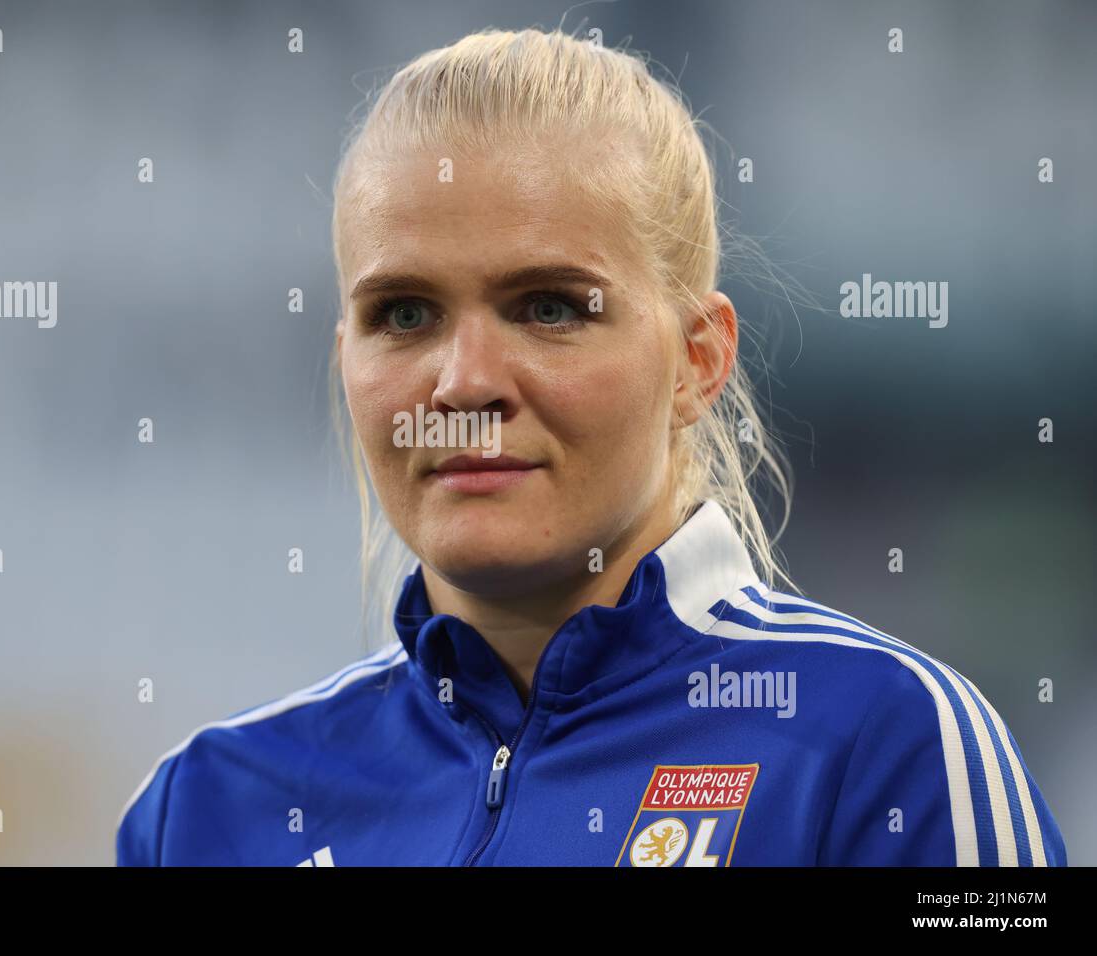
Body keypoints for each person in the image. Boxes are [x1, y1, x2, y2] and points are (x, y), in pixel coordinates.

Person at [117, 28, 1065, 866]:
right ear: (346, 361)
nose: (464, 384)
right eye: (403, 314)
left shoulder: (885, 746)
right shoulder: (205, 811)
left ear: (698, 360)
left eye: (549, 308)